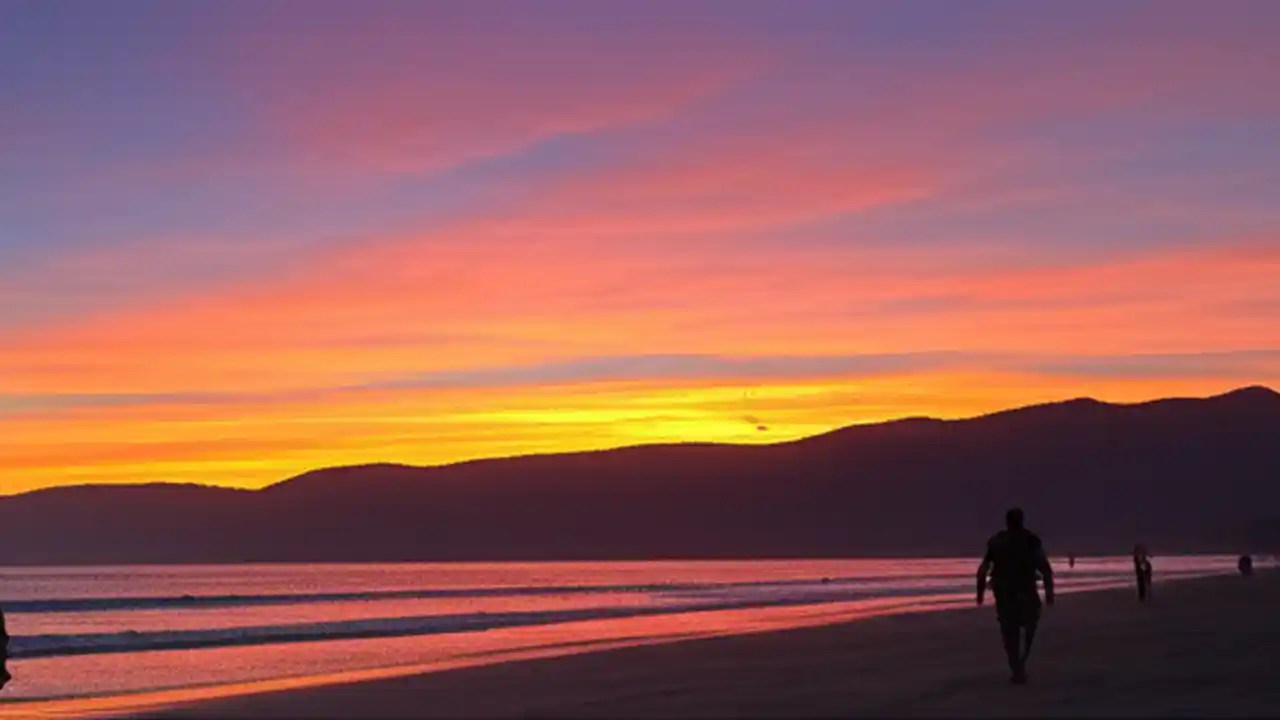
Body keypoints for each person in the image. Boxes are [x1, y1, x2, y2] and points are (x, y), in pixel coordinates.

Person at [977, 507, 1055, 685]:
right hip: (1023, 589)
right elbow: (1044, 566)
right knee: (1028, 626)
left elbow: (982, 569)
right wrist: (1049, 591)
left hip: (1005, 592)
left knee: (1009, 631)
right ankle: (1020, 663)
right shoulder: (1030, 540)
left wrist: (980, 592)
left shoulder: (998, 541)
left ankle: (1017, 666)